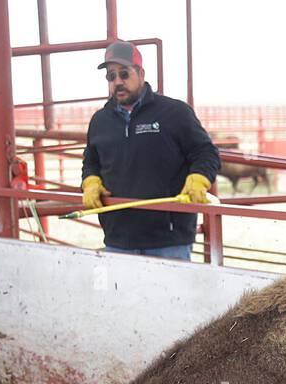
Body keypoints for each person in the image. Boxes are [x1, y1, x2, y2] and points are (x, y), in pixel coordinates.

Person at [81, 40, 220, 260]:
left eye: (124, 74)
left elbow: (205, 152)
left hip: (168, 241)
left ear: (141, 73)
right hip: (118, 239)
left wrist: (199, 178)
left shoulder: (174, 112)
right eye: (111, 76)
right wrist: (90, 182)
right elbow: (91, 162)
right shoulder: (100, 121)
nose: (118, 82)